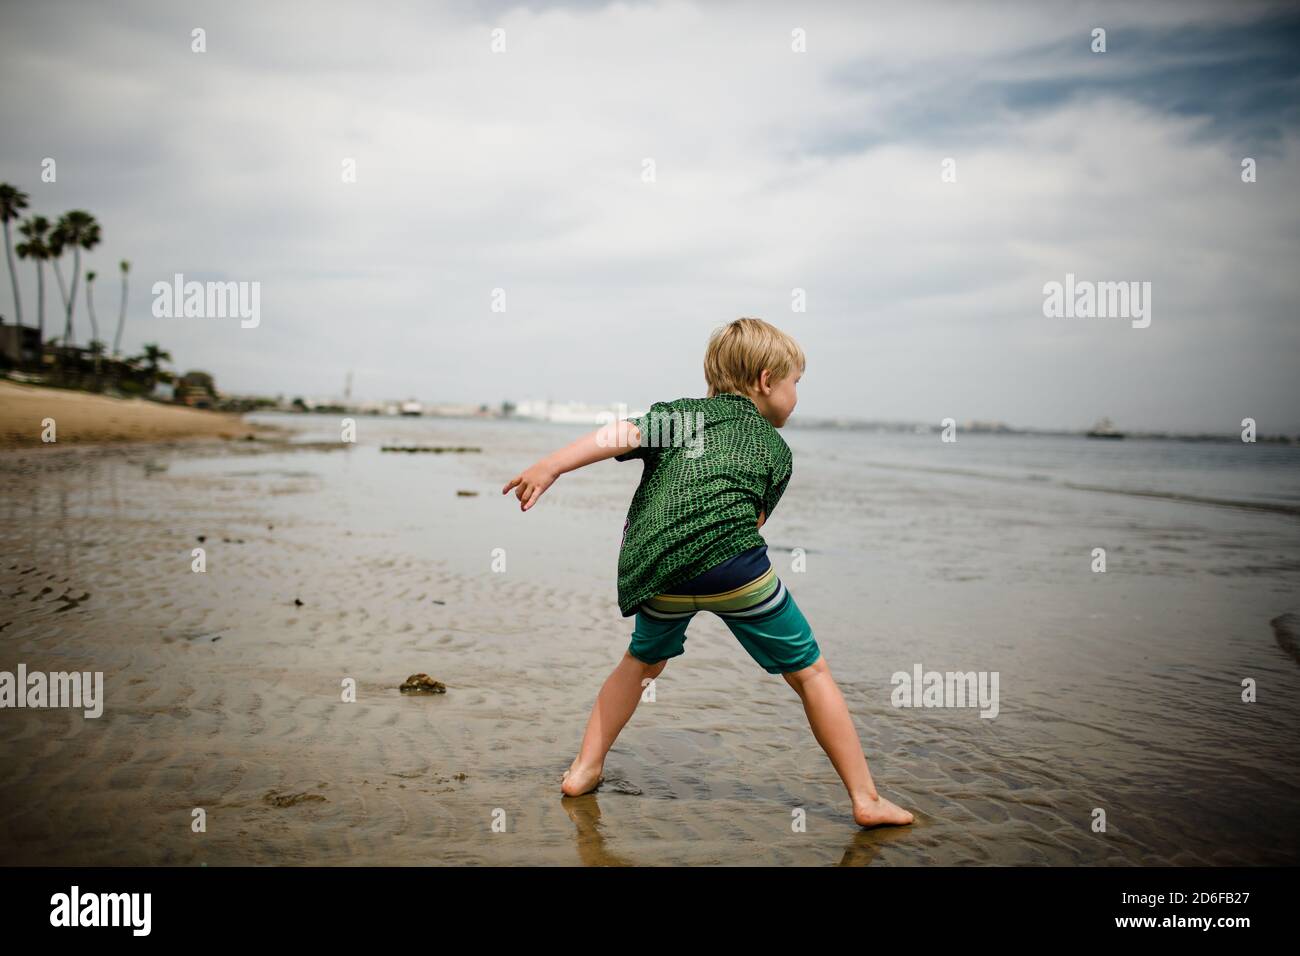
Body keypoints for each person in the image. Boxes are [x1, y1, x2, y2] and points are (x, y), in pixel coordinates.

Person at [502, 317, 914, 828]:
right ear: (766, 381)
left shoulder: (682, 418)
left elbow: (616, 435)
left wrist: (551, 466)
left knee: (640, 663)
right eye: (796, 384)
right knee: (810, 673)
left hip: (659, 570)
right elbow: (753, 520)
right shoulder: (775, 450)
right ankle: (866, 799)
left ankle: (584, 769)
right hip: (733, 569)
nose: (796, 396)